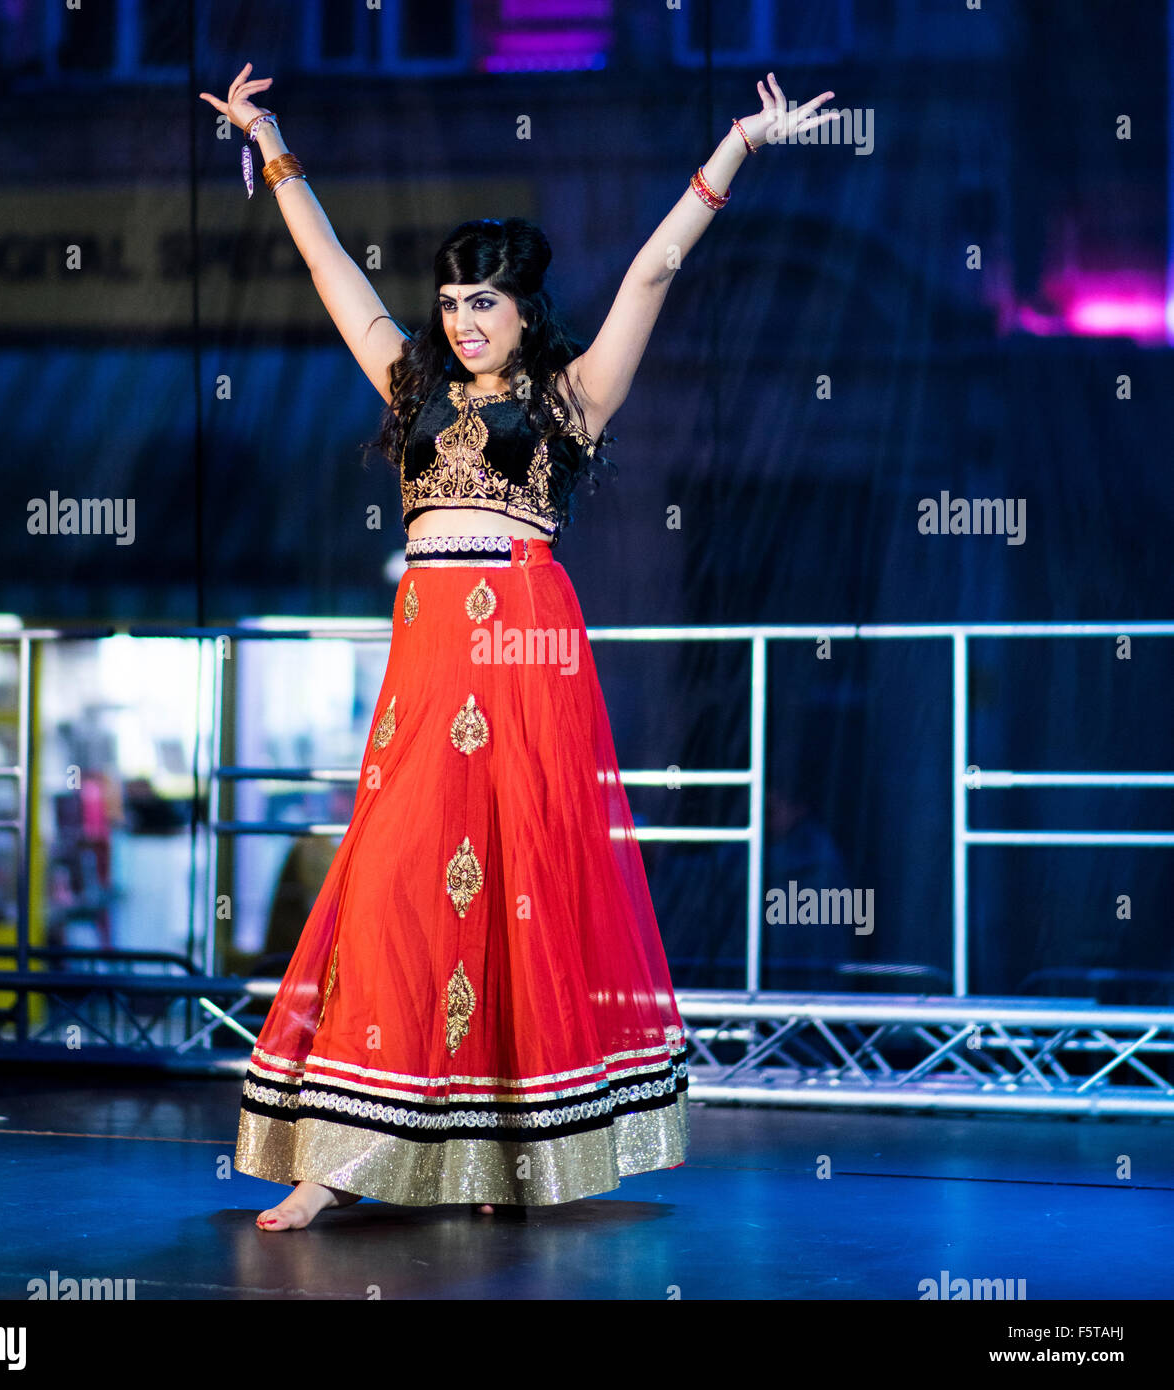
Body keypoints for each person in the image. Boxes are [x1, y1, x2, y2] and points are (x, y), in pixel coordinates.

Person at [200, 65, 836, 1230]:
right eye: (451, 300)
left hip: (527, 663)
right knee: (396, 883)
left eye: (484, 302)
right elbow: (334, 275)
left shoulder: (570, 402)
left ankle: (504, 1157)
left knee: (517, 898)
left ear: (526, 311)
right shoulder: (409, 387)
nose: (462, 319)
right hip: (429, 660)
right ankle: (336, 1159)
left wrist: (739, 143)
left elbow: (653, 269)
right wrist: (274, 142)